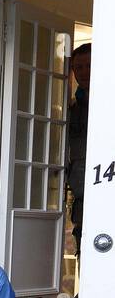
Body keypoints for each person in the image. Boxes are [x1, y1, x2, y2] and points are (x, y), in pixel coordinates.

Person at [66, 43, 91, 255]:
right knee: (84, 249)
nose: (83, 72)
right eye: (78, 67)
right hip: (81, 195)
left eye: (89, 65)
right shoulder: (72, 108)